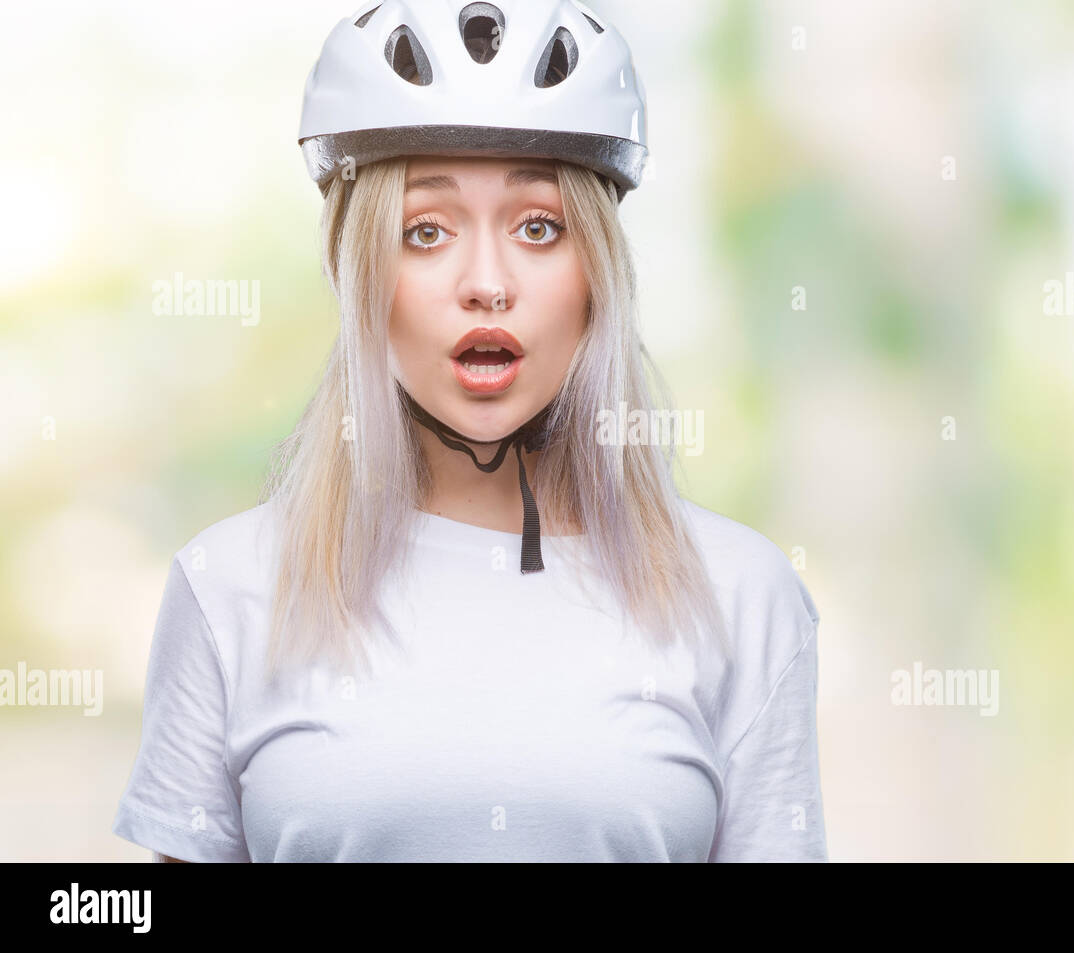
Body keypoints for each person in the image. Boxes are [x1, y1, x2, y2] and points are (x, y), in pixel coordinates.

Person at [111, 0, 828, 862]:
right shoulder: (229, 588)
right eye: (426, 230)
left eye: (538, 227)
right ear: (359, 267)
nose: (487, 283)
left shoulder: (742, 595)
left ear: (598, 269)